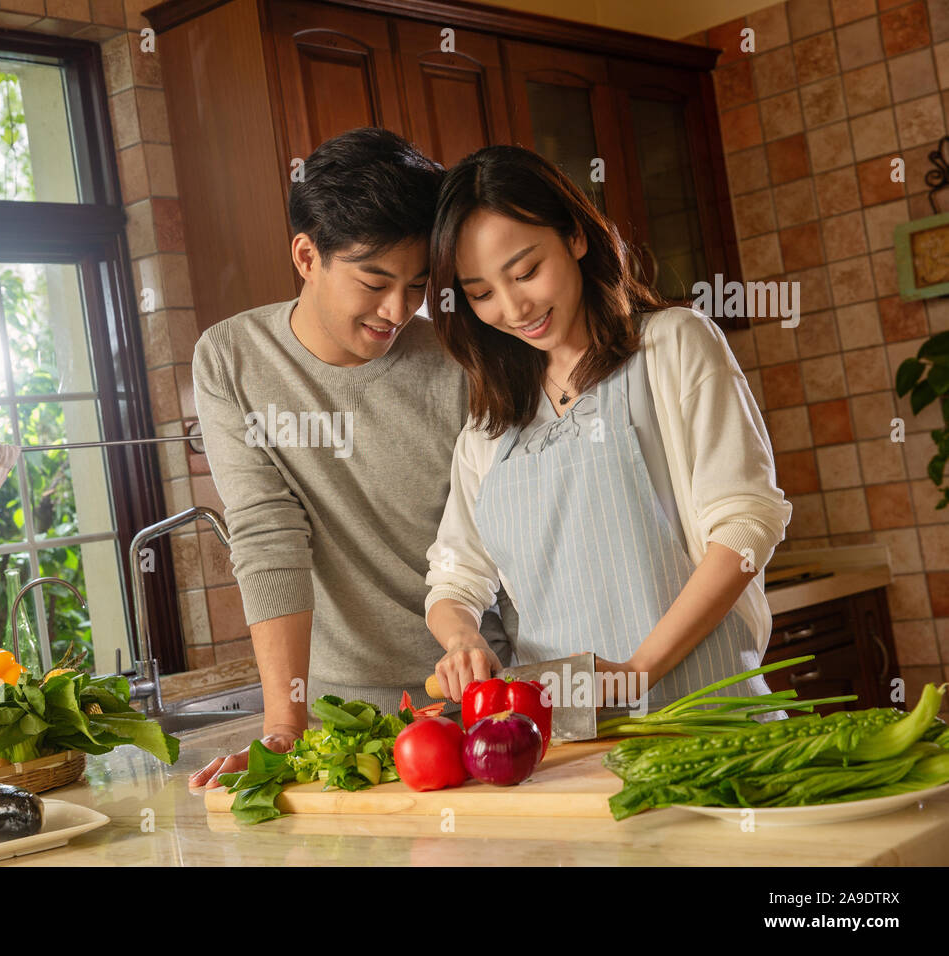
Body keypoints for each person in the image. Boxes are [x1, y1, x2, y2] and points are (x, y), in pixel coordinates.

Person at [188, 128, 517, 789]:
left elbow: (503, 539)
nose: (397, 310)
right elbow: (267, 531)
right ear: (307, 255)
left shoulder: (459, 365)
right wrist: (285, 726)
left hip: (477, 699)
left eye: (417, 284)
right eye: (375, 281)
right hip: (343, 721)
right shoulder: (230, 359)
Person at [423, 145, 792, 714]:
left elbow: (747, 524)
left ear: (575, 236)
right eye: (481, 294)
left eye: (525, 272)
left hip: (711, 721)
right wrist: (463, 637)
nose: (514, 307)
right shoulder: (488, 427)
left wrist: (635, 673)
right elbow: (455, 578)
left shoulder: (672, 344)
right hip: (571, 741)